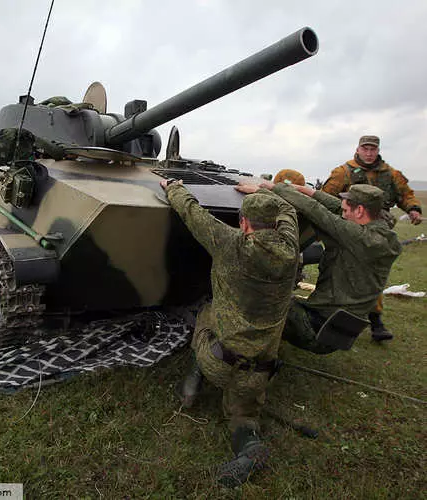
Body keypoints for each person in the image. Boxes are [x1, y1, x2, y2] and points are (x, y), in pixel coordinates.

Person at [160, 178, 299, 488]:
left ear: (243, 222)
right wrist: (267, 192)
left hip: (218, 362)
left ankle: (192, 383)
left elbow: (191, 211)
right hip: (259, 373)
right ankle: (250, 448)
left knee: (206, 314)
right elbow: (288, 210)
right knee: (244, 419)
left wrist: (173, 186)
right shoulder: (291, 250)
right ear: (274, 225)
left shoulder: (229, 243)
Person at [236, 180, 402, 355]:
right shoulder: (379, 232)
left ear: (360, 210)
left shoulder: (362, 239)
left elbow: (317, 211)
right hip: (333, 325)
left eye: (346, 211)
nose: (342, 214)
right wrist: (302, 189)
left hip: (320, 328)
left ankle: (247, 360)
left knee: (254, 299)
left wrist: (269, 193)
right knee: (279, 300)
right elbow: (335, 206)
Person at [322, 135, 422, 341]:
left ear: (378, 151)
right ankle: (329, 311)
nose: (369, 153)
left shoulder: (390, 174)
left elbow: (405, 194)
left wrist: (413, 209)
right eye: (365, 149)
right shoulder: (343, 172)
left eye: (372, 149)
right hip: (351, 232)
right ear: (357, 149)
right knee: (340, 270)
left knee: (373, 274)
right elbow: (327, 196)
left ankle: (376, 322)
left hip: (378, 232)